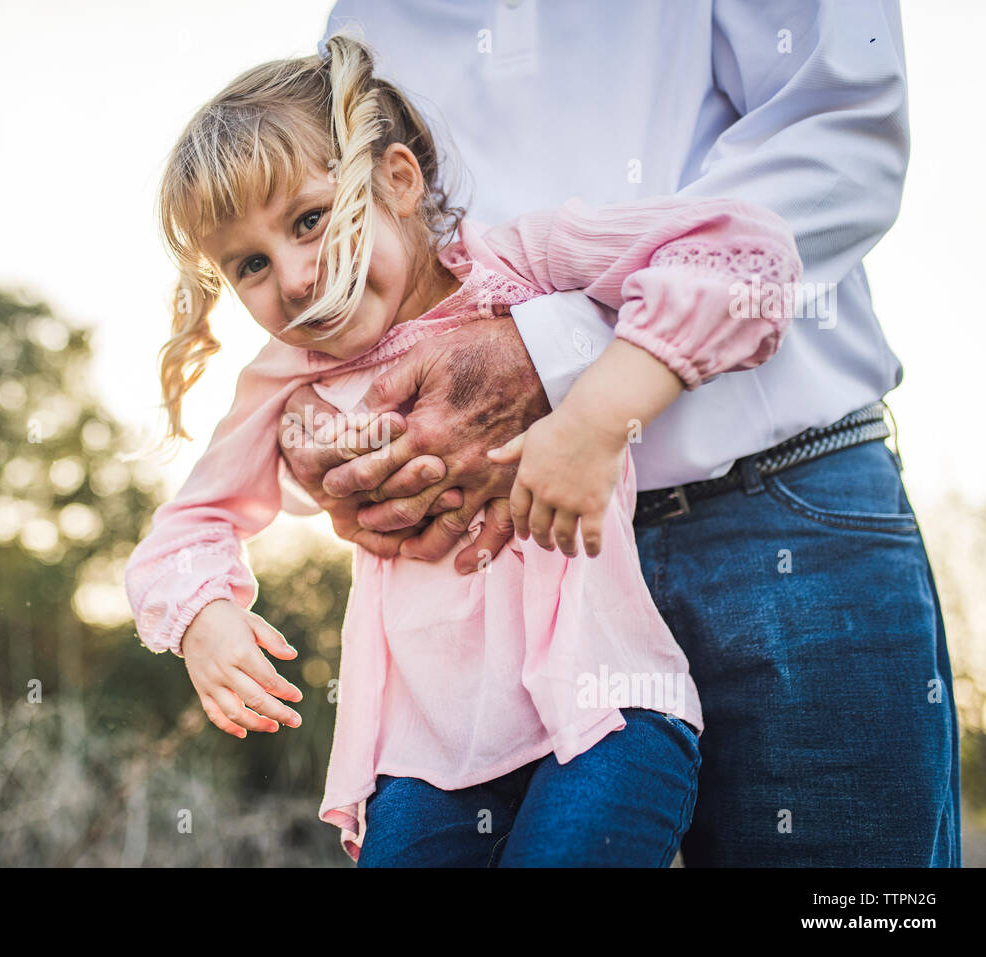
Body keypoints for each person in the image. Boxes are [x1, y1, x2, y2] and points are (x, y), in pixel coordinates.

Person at [273, 0, 959, 867]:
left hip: (782, 518)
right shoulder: (364, 18)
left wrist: (566, 359)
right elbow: (351, 265)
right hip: (499, 568)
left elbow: (838, 141)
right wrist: (320, 435)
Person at [125, 33, 805, 864]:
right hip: (421, 761)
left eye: (311, 220)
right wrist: (204, 618)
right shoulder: (281, 381)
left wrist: (595, 418)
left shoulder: (522, 265)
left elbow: (748, 257)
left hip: (606, 711)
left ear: (398, 180)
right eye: (250, 265)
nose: (296, 278)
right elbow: (184, 530)